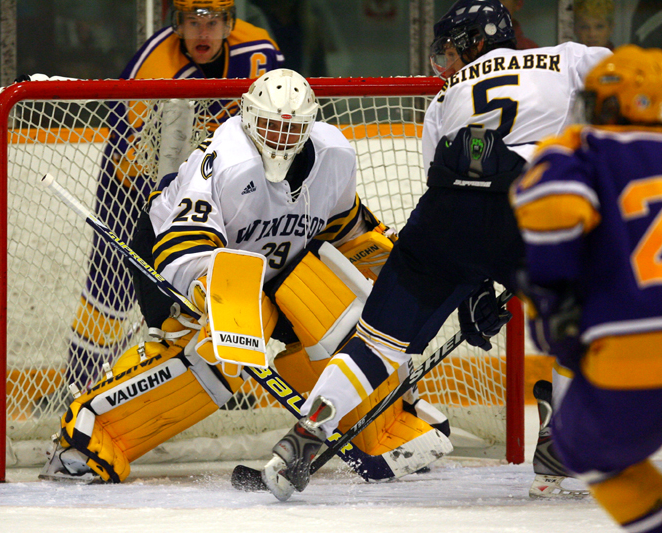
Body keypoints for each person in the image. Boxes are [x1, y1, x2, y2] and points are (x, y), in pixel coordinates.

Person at [259, 0, 612, 502]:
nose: (444, 62)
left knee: (377, 342)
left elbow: (446, 190)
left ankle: (306, 433)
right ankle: (563, 437)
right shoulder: (566, 57)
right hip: (531, 208)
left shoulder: (445, 97)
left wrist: (471, 284)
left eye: (450, 49)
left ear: (475, 44)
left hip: (446, 217)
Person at [40, 69, 450, 485]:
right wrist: (210, 295)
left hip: (278, 265)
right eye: (271, 126)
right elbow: (183, 247)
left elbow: (342, 229)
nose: (281, 139)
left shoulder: (335, 156)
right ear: (249, 118)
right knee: (216, 356)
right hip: (179, 257)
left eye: (293, 129)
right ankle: (86, 440)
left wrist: (390, 264)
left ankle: (387, 427)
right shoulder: (227, 159)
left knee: (346, 316)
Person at [64, 0, 285, 395]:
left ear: (229, 22)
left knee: (225, 271)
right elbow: (127, 150)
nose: (203, 32)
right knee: (110, 283)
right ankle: (79, 382)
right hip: (132, 184)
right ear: (177, 24)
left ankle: (223, 378)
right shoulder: (154, 65)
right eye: (192, 21)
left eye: (213, 21)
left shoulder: (260, 51)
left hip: (216, 183)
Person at [511, 44, 662, 533]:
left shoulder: (586, 149)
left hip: (636, 346)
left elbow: (553, 207)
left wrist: (557, 302)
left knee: (579, 448)